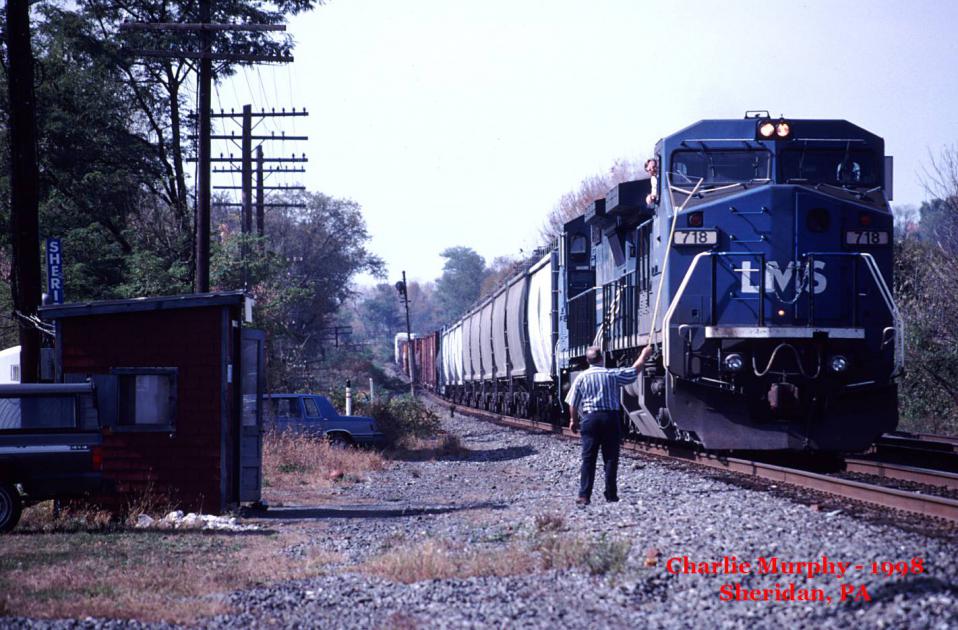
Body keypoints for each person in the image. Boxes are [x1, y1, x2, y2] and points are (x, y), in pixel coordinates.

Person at [565, 344, 655, 506]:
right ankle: (611, 495)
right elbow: (634, 371)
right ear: (601, 359)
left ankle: (584, 495)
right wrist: (644, 355)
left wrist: (573, 420)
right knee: (611, 458)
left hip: (590, 419)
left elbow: (573, 403)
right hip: (610, 419)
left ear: (587, 360)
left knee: (588, 458)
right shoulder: (611, 375)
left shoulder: (581, 377)